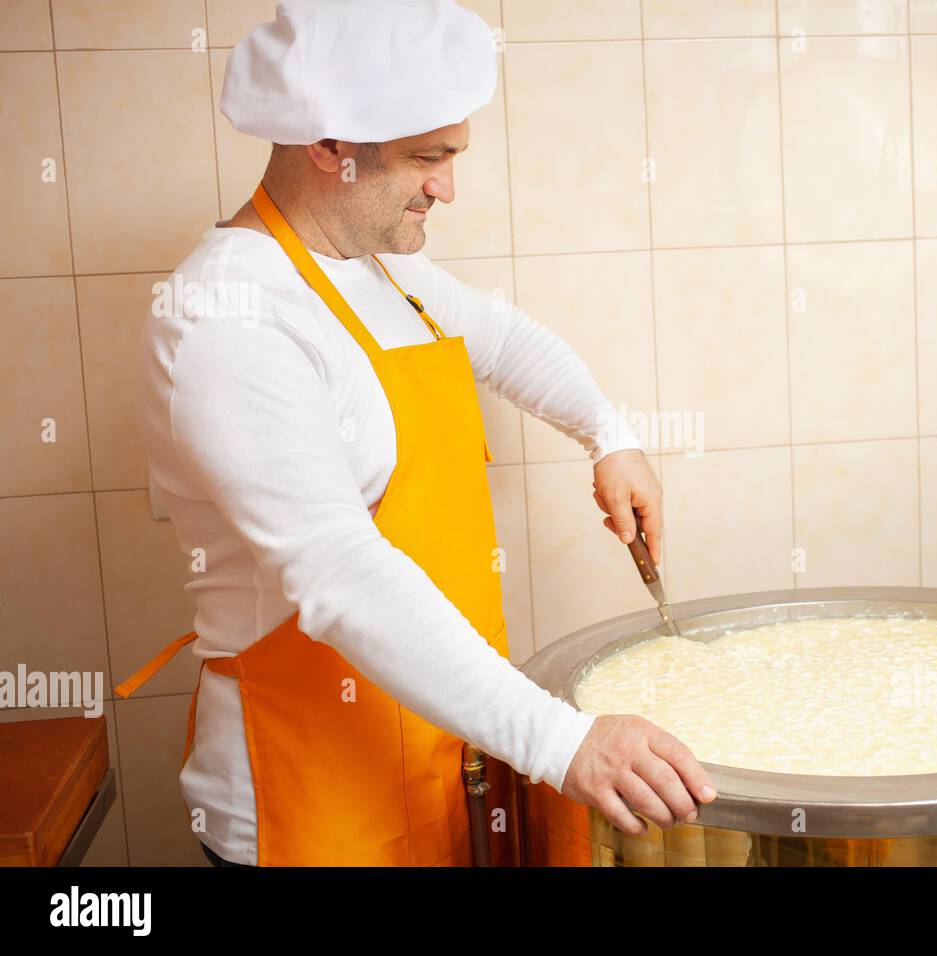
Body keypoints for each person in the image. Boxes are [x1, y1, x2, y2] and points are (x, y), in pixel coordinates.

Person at [118, 0, 714, 867]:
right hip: (308, 808)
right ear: (328, 144)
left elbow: (504, 338)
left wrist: (608, 434)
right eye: (426, 158)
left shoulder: (384, 270)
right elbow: (339, 571)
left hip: (438, 761)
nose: (448, 186)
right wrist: (562, 743)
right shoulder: (227, 316)